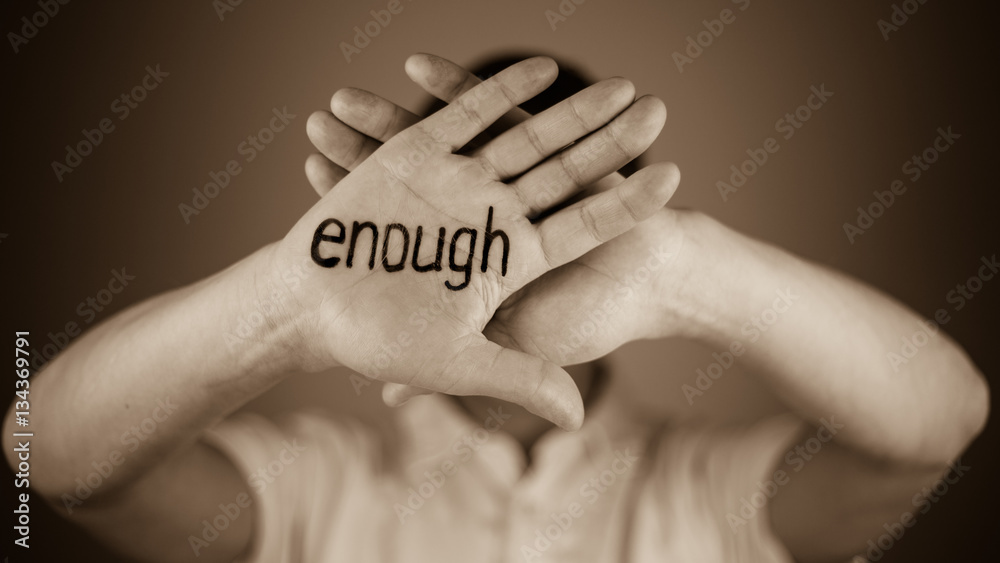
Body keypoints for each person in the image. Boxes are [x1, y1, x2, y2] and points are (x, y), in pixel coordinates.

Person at [3, 54, 988, 563]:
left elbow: (936, 423)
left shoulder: (706, 490)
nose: (509, 256)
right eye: (485, 207)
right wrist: (286, 307)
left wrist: (683, 270)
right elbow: (46, 452)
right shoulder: (316, 489)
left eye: (557, 205)